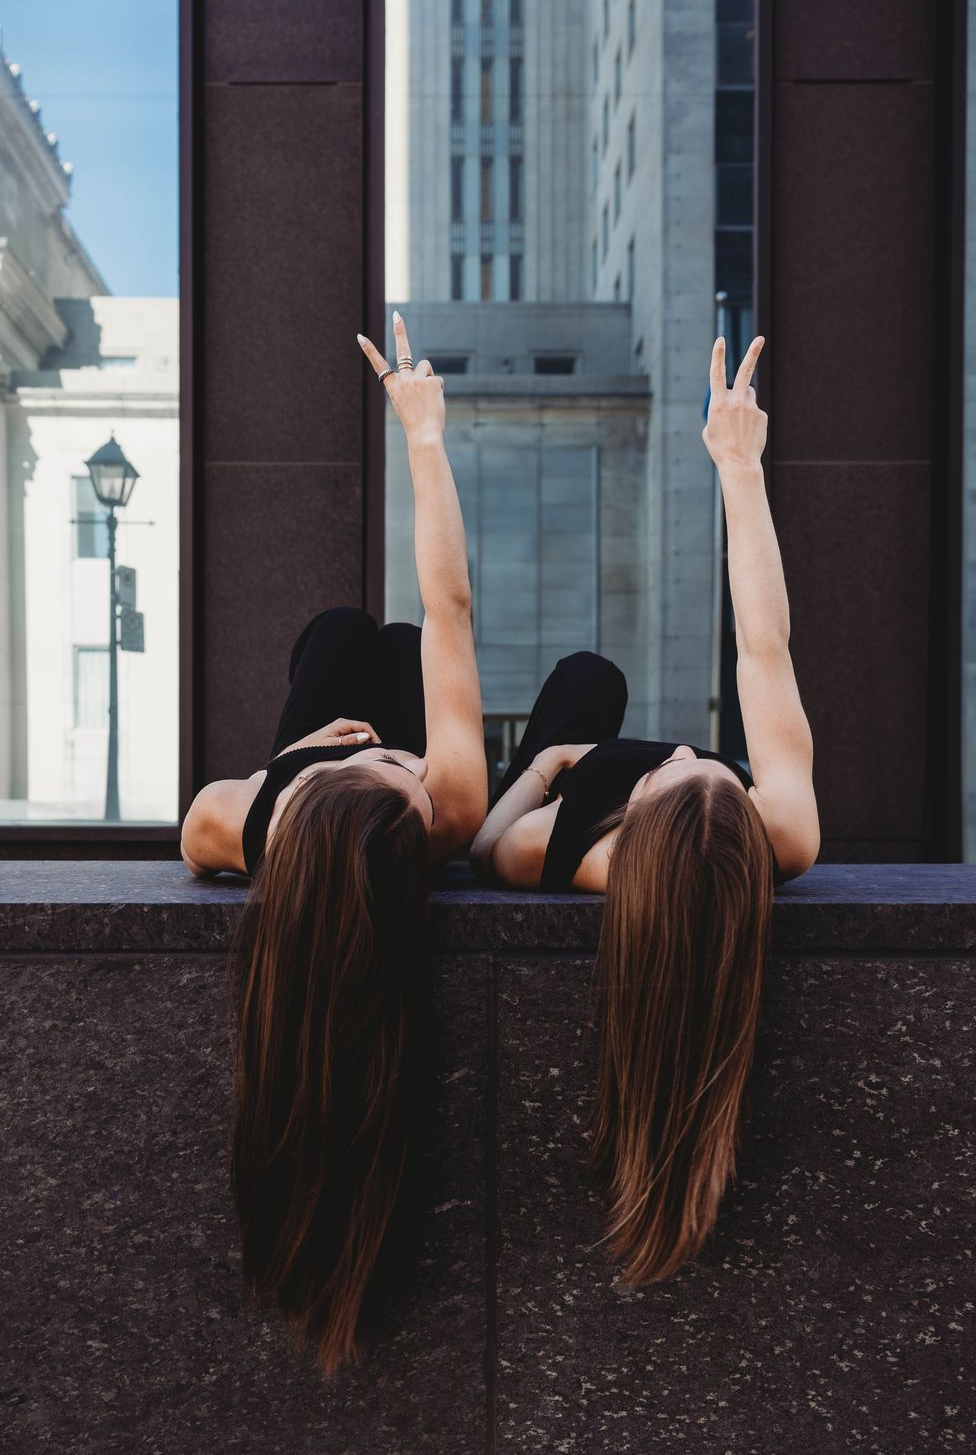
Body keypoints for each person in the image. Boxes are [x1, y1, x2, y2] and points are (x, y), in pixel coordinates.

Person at [469, 333, 820, 1287]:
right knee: (609, 676)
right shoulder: (779, 826)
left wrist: (548, 763)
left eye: (675, 772)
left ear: (640, 821)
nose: (678, 752)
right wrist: (738, 469)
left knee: (588, 679)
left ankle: (561, 726)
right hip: (660, 816)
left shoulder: (576, 848)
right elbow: (765, 650)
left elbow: (486, 841)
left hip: (567, 774)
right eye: (713, 767)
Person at [180, 311, 487, 1376]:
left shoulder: (258, 816)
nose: (406, 758)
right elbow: (447, 610)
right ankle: (342, 662)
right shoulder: (445, 804)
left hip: (298, 791)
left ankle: (322, 679)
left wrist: (293, 757)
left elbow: (197, 822)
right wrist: (423, 437)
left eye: (394, 761)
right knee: (400, 641)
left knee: (337, 635)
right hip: (329, 819)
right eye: (406, 768)